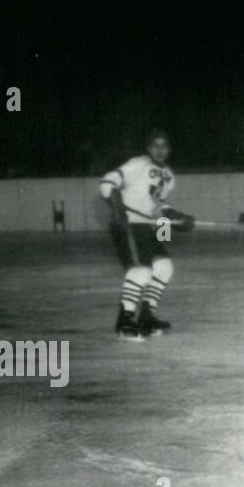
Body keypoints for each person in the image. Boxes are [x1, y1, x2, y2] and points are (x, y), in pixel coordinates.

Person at [98, 127, 196, 339]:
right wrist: (117, 207)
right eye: (155, 145)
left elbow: (159, 209)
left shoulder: (168, 176)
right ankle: (124, 322)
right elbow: (107, 182)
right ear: (149, 148)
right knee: (141, 271)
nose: (160, 150)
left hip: (145, 227)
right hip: (127, 226)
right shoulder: (139, 164)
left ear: (169, 149)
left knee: (164, 266)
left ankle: (146, 317)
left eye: (164, 145)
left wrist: (178, 220)